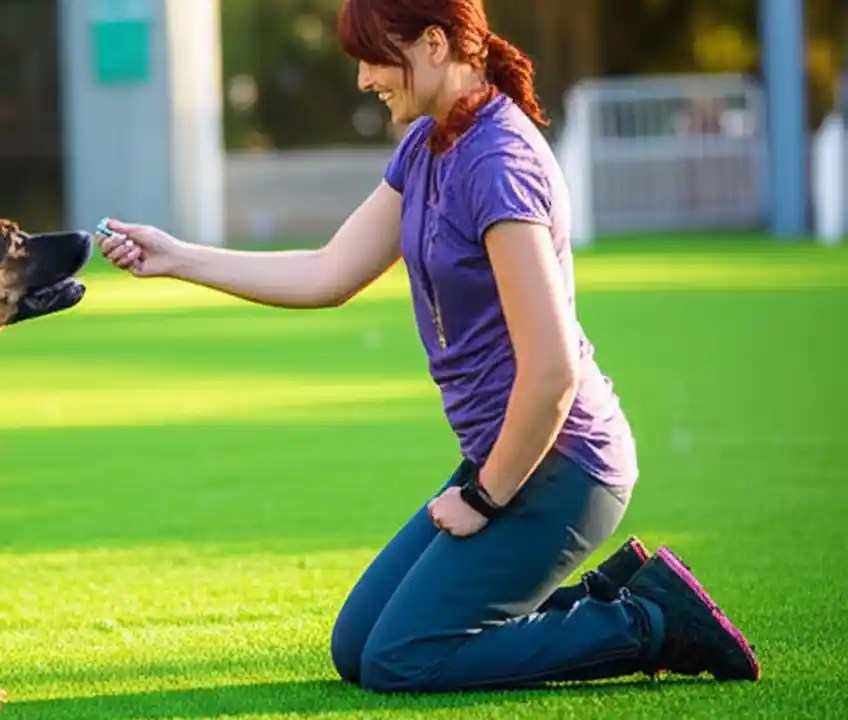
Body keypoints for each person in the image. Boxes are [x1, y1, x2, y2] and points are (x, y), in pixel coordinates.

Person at [94, 0, 759, 694]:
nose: (362, 80)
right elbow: (329, 272)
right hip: (506, 459)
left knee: (400, 659)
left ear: (436, 43)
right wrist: (179, 258)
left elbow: (554, 370)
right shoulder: (428, 145)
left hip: (560, 465)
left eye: (375, 57)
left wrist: (484, 495)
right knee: (357, 647)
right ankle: (607, 597)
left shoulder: (498, 161)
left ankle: (648, 621)